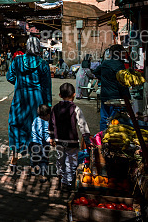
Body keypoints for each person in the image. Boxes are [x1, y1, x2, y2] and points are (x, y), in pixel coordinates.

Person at [7, 36, 52, 170]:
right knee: (36, 129)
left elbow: (9, 76)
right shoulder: (43, 64)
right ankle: (35, 162)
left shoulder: (17, 60)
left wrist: (19, 83)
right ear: (38, 48)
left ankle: (14, 160)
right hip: (37, 102)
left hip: (20, 99)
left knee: (16, 125)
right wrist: (48, 106)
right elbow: (47, 87)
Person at [49, 83, 91, 190]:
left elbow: (51, 124)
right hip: (72, 142)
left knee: (60, 160)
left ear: (59, 95)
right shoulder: (76, 109)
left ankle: (61, 177)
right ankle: (68, 183)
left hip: (59, 141)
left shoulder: (55, 108)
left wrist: (52, 137)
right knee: (71, 162)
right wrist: (87, 139)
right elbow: (83, 125)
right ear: (74, 94)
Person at [93, 44, 131, 131]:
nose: (124, 55)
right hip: (115, 97)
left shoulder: (105, 63)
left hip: (105, 95)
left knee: (104, 118)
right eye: (123, 53)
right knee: (114, 119)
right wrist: (127, 98)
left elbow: (96, 72)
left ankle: (102, 136)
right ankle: (110, 138)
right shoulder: (119, 66)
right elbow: (122, 84)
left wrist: (104, 79)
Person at [30, 104, 51, 183]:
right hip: (42, 145)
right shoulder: (45, 123)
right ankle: (42, 175)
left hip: (34, 143)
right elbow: (45, 135)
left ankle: (33, 169)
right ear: (48, 115)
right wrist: (51, 140)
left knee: (34, 157)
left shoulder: (35, 119)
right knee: (43, 159)